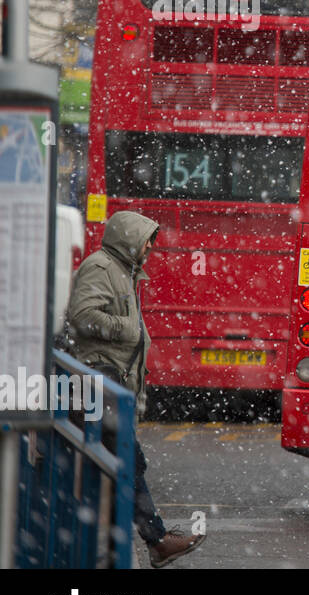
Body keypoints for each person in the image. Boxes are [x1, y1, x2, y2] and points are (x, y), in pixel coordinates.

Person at [63, 210, 206, 568]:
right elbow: (82, 315)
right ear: (129, 238)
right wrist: (127, 330)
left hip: (110, 388)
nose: (151, 246)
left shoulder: (122, 271)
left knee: (122, 463)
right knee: (127, 461)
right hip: (98, 385)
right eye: (147, 239)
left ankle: (131, 542)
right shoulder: (101, 268)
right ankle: (153, 541)